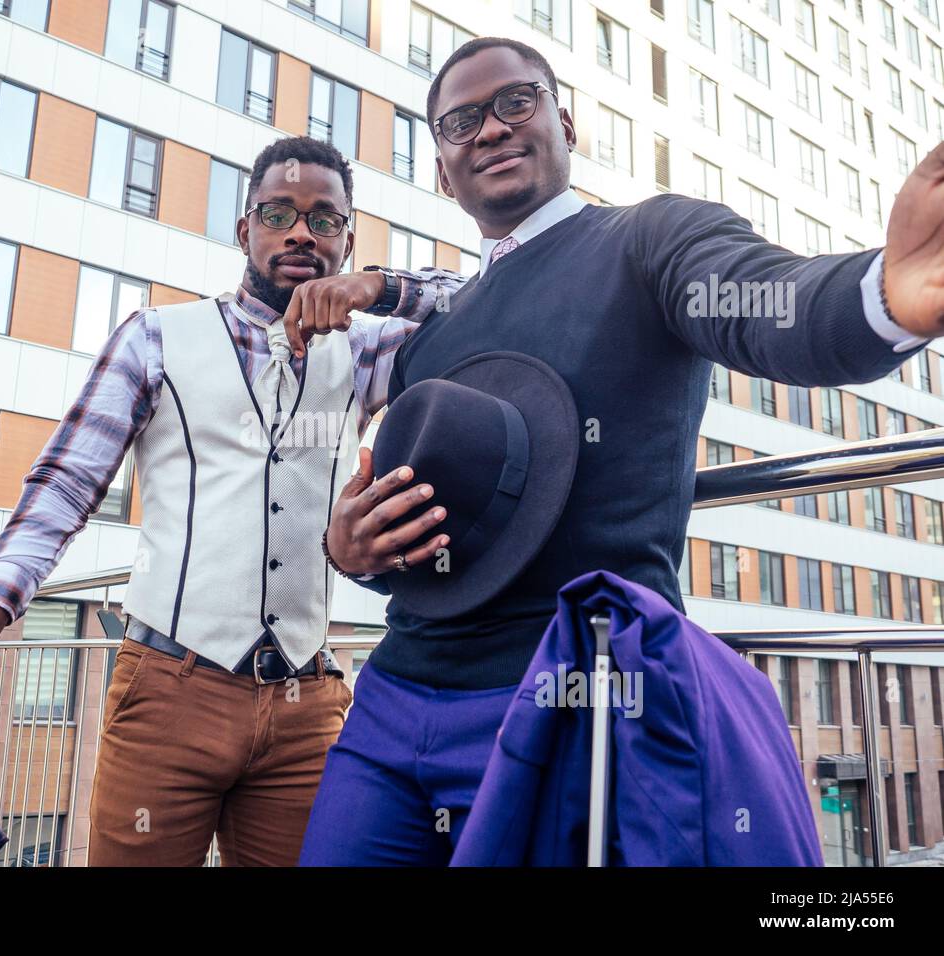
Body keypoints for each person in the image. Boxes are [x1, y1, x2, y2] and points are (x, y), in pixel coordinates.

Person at [301, 36, 940, 866]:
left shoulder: (650, 241)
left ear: (565, 121)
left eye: (515, 102)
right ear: (442, 170)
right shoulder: (431, 337)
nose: (490, 129)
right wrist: (348, 551)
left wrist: (885, 297)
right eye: (461, 123)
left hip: (560, 695)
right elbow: (412, 533)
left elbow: (770, 304)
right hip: (391, 697)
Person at [0, 135, 460, 866]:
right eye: (279, 213)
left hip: (307, 702)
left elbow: (479, 301)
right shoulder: (155, 339)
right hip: (169, 692)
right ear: (244, 229)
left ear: (347, 240)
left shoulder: (364, 350)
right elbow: (63, 490)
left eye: (325, 220)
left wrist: (375, 289)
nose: (301, 232)